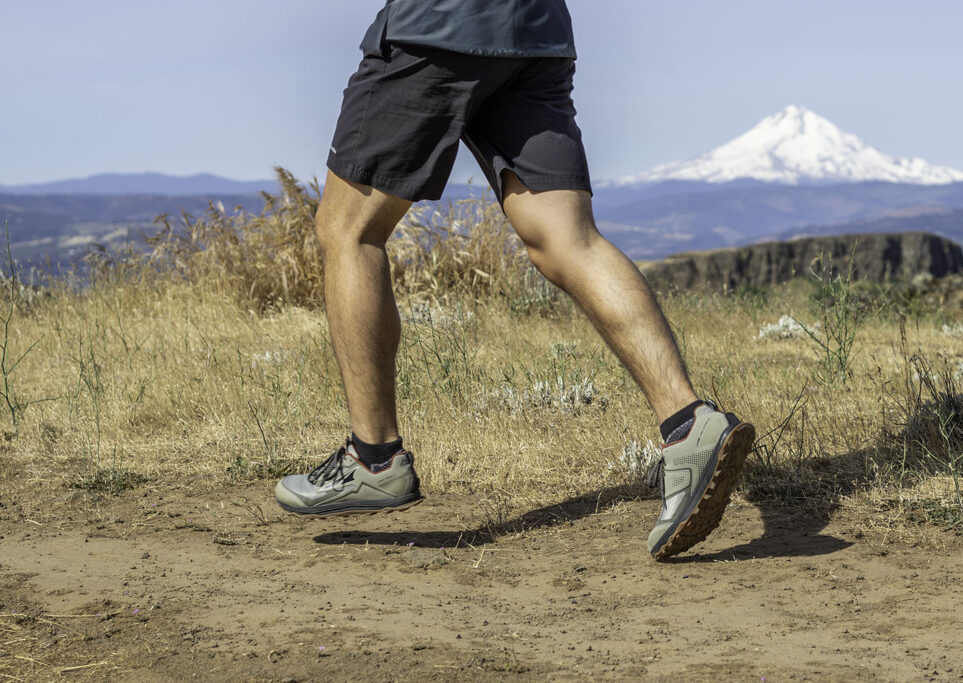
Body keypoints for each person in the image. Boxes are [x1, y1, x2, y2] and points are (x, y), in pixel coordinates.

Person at [274, 0, 755, 560]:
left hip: (435, 29)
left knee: (350, 230)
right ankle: (688, 424)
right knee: (569, 240)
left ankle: (373, 459)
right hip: (535, 33)